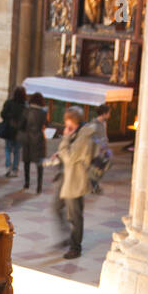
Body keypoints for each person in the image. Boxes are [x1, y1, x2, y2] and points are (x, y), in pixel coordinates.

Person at [45, 105, 94, 258]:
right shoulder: (77, 132)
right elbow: (67, 154)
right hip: (65, 177)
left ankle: (75, 247)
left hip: (75, 180)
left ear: (75, 123)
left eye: (68, 125)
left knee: (75, 215)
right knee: (56, 207)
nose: (66, 128)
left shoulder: (84, 136)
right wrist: (60, 154)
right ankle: (68, 236)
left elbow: (71, 156)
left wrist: (65, 139)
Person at [20, 91, 47, 193]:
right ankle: (39, 186)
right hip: (39, 139)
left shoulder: (26, 111)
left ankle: (27, 183)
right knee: (39, 163)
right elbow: (46, 124)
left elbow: (21, 124)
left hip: (27, 138)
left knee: (26, 162)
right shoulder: (43, 113)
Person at [84, 103, 113, 195]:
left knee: (102, 167)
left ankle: (94, 185)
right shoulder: (94, 124)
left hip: (103, 150)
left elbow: (104, 135)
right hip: (95, 151)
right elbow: (91, 137)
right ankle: (94, 186)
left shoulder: (103, 123)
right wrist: (99, 143)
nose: (109, 115)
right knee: (96, 168)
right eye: (108, 113)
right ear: (104, 113)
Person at [0, 85, 26, 177]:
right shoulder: (25, 106)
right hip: (20, 131)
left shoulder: (9, 103)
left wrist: (9, 117)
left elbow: (2, 114)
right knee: (17, 151)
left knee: (7, 149)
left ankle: (8, 167)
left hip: (9, 129)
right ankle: (15, 170)